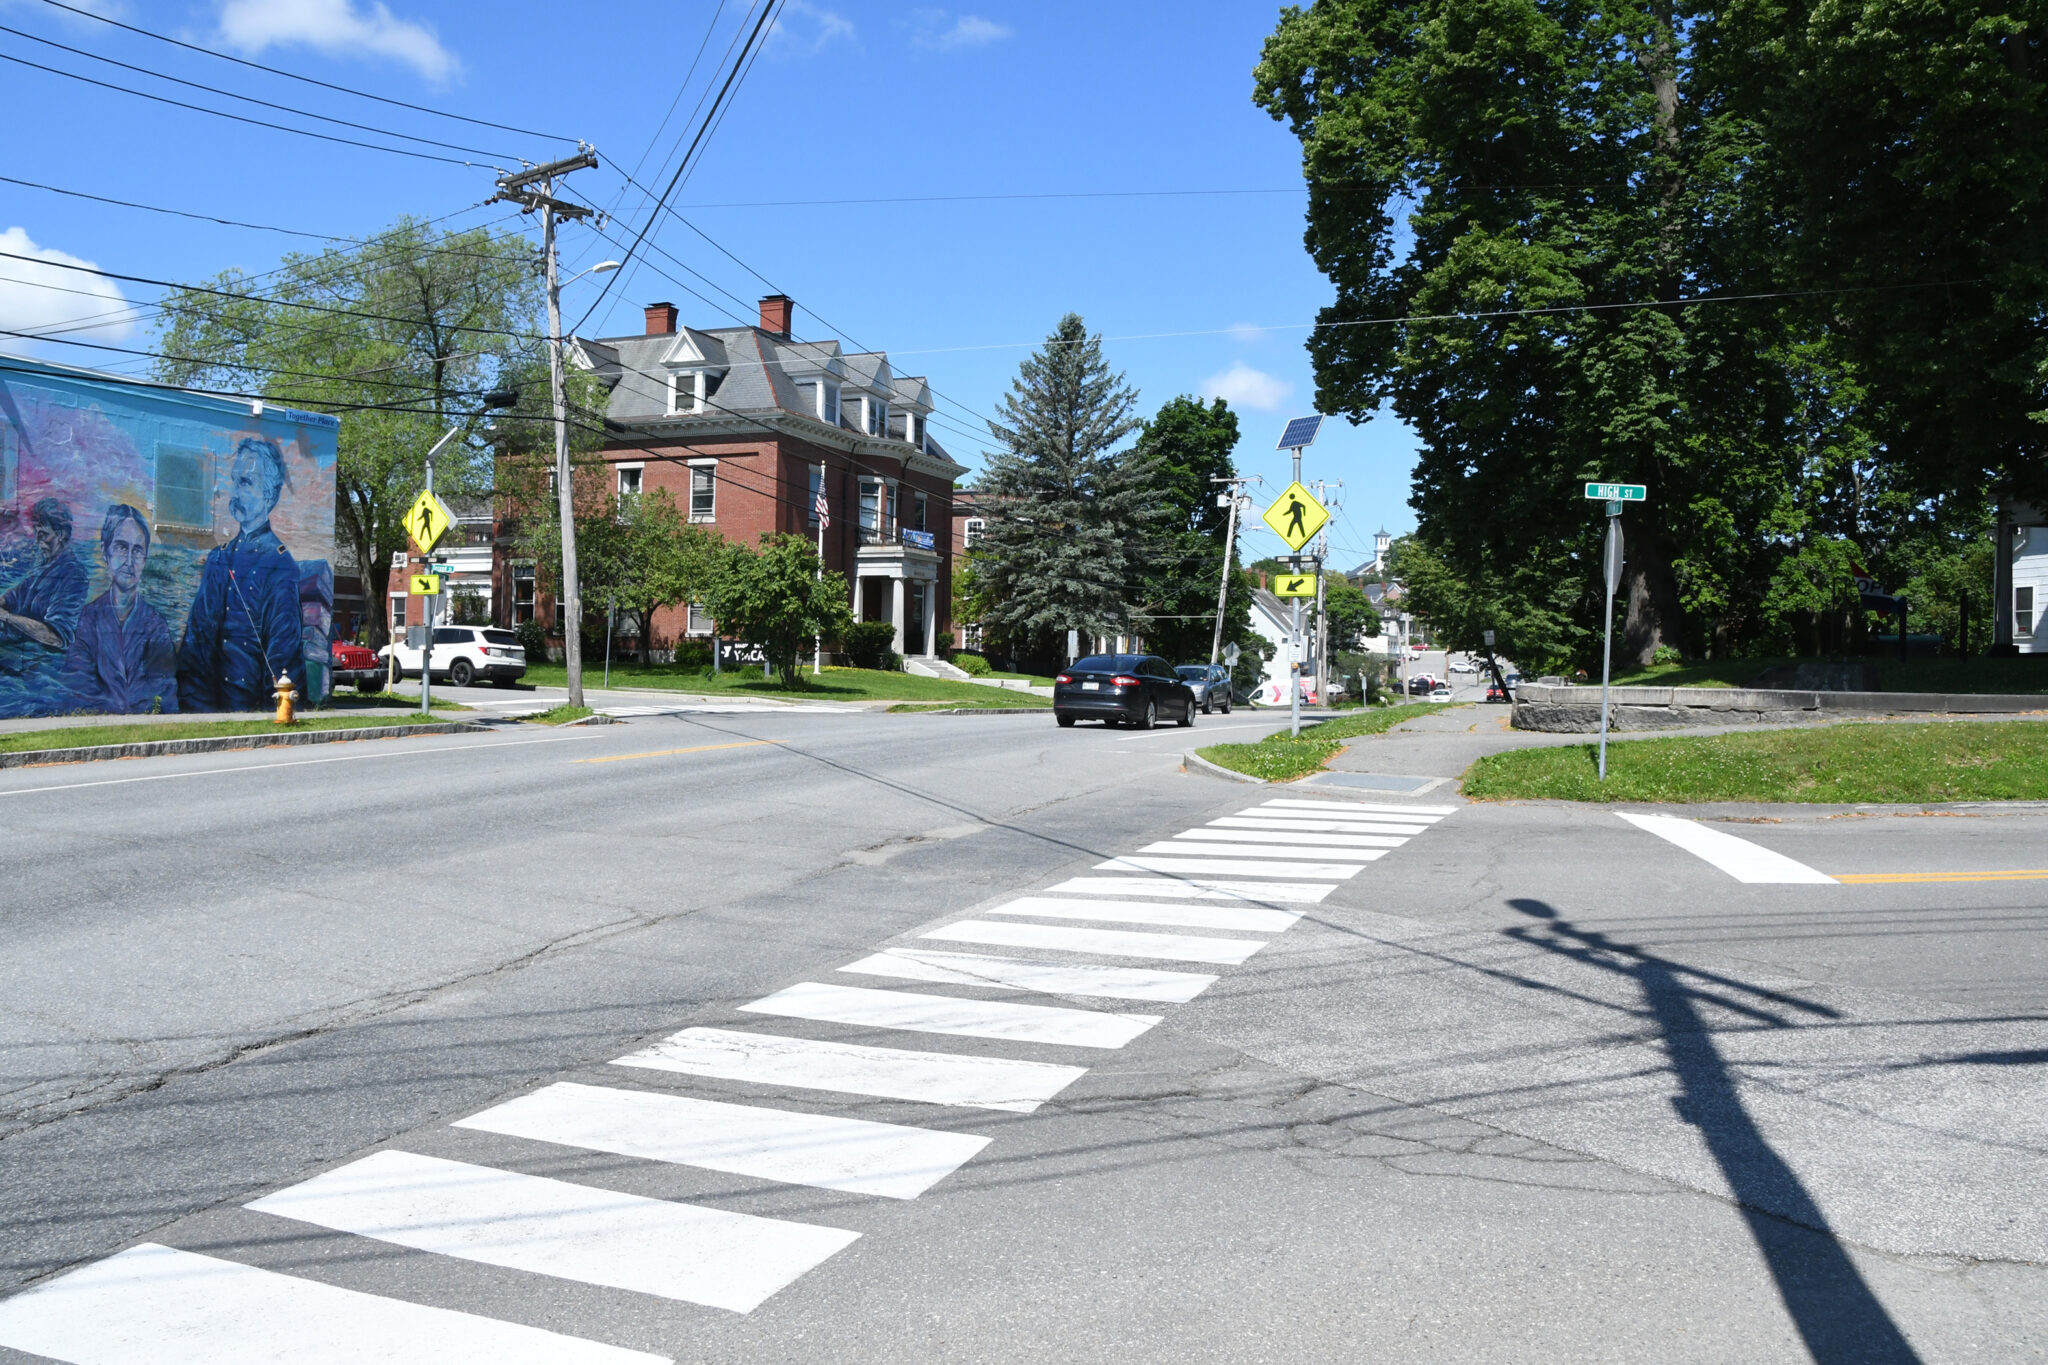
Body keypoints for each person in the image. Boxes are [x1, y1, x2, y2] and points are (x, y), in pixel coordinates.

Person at [177, 437, 303, 711]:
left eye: (246, 483)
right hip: (206, 708)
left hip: (250, 707)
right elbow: (195, 648)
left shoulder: (281, 567)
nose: (235, 492)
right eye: (235, 481)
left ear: (269, 495)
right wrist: (196, 708)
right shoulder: (218, 558)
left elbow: (283, 659)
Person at [59, 504, 178, 714]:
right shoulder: (89, 619)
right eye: (122, 547)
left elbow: (164, 691)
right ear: (105, 552)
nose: (130, 561)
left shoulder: (156, 625)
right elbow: (78, 686)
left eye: (138, 550)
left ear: (145, 558)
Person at [0, 497, 88, 711]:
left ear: (61, 535)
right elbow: (11, 598)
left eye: (44, 536)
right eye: (37, 535)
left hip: (41, 673)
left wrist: (6, 617)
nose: (39, 543)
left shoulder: (73, 576)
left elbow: (57, 638)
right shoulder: (43, 571)